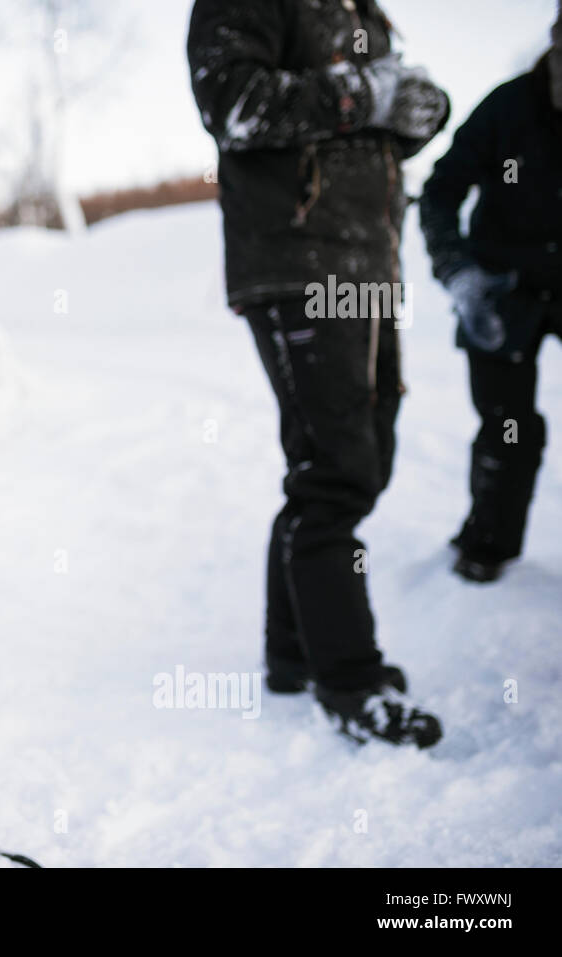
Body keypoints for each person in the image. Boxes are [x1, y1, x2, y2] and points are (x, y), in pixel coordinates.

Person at [187, 0, 448, 747]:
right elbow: (233, 101)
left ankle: (294, 652)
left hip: (368, 264)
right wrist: (366, 94)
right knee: (338, 470)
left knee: (354, 461)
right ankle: (350, 679)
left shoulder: (361, 10)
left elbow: (383, 121)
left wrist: (421, 108)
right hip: (297, 262)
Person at [419, 14, 562, 585]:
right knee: (508, 425)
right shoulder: (506, 110)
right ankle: (488, 544)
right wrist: (458, 273)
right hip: (503, 290)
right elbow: (439, 193)